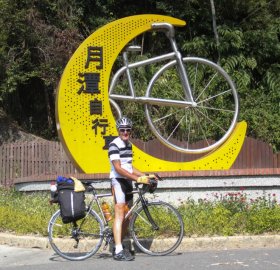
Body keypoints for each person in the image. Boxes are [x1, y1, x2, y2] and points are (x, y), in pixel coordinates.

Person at [108, 116, 155, 261]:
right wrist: (137, 179)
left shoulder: (128, 145)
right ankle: (118, 250)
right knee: (120, 214)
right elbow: (118, 168)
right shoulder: (114, 145)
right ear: (118, 130)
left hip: (127, 182)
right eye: (122, 130)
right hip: (118, 182)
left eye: (128, 129)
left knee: (128, 217)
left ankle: (119, 245)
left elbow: (129, 167)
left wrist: (146, 176)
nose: (125, 132)